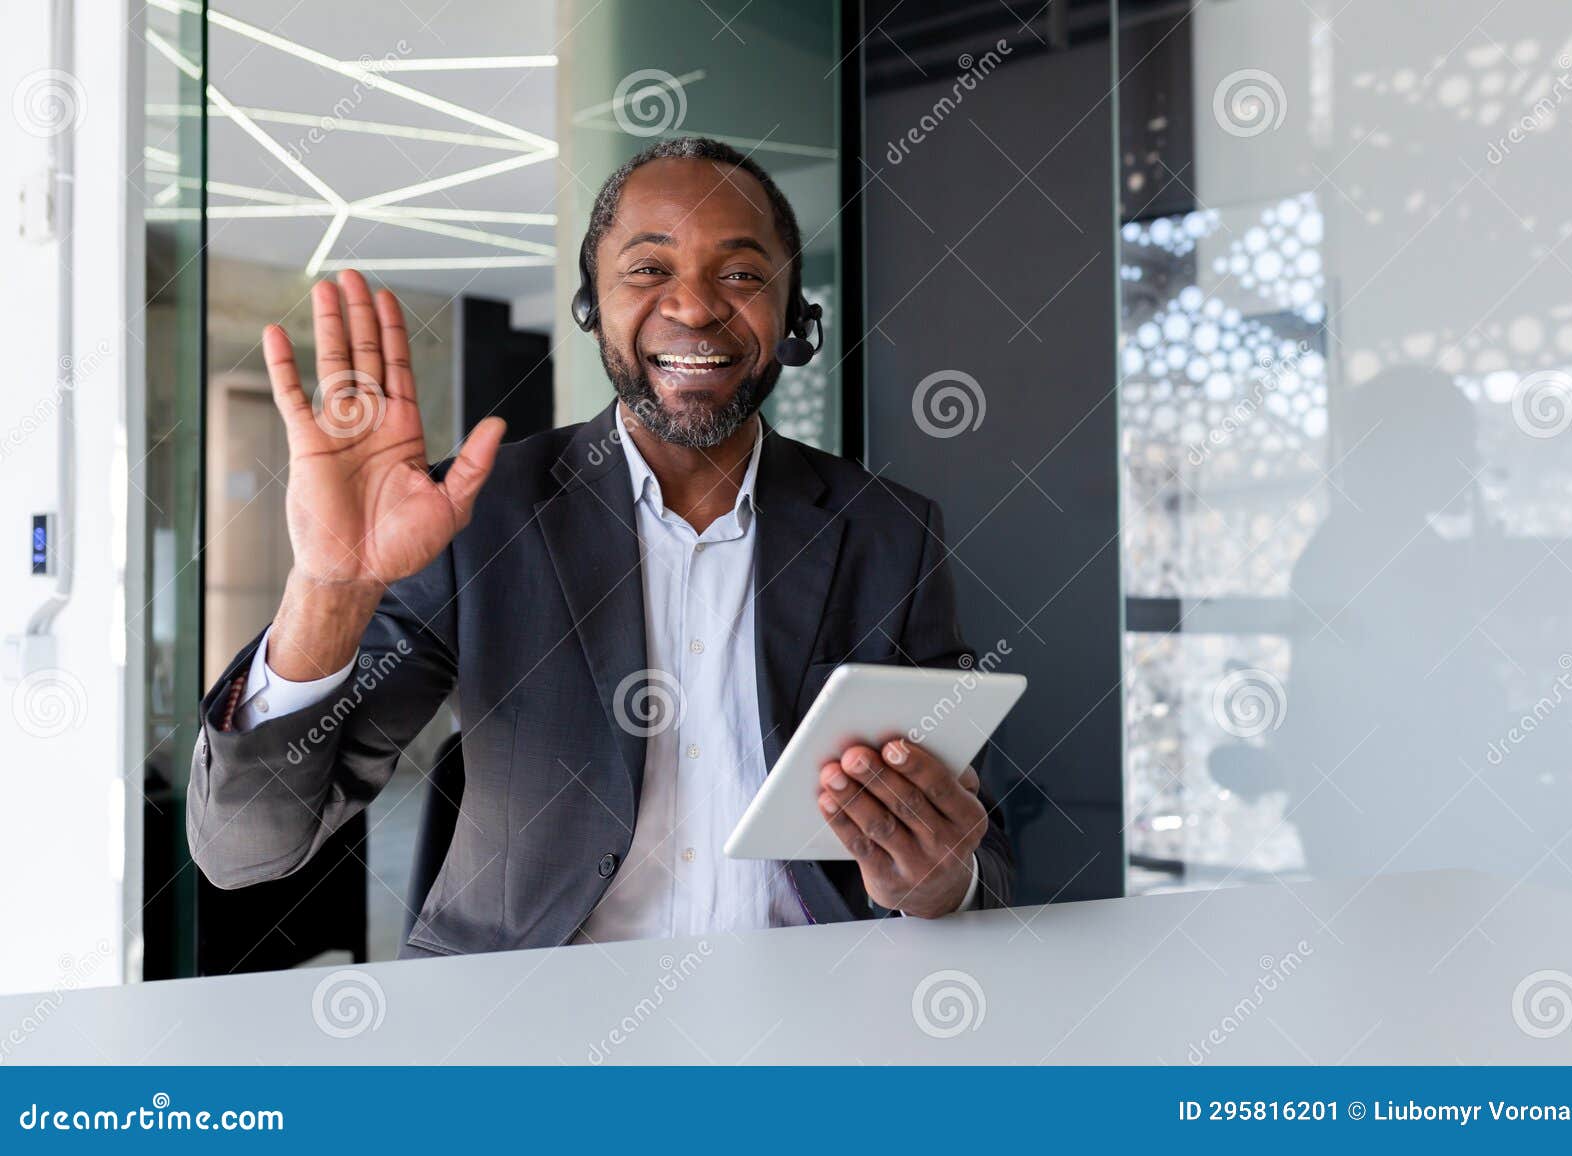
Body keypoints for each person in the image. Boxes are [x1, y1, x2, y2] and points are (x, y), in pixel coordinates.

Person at [187, 136, 1013, 958]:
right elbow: (245, 849)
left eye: (741, 273)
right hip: (532, 1029)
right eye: (649, 270)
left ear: (796, 318)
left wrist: (941, 883)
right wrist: (331, 585)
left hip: (804, 1015)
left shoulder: (888, 532)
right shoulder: (476, 515)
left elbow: (979, 844)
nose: (693, 308)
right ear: (592, 308)